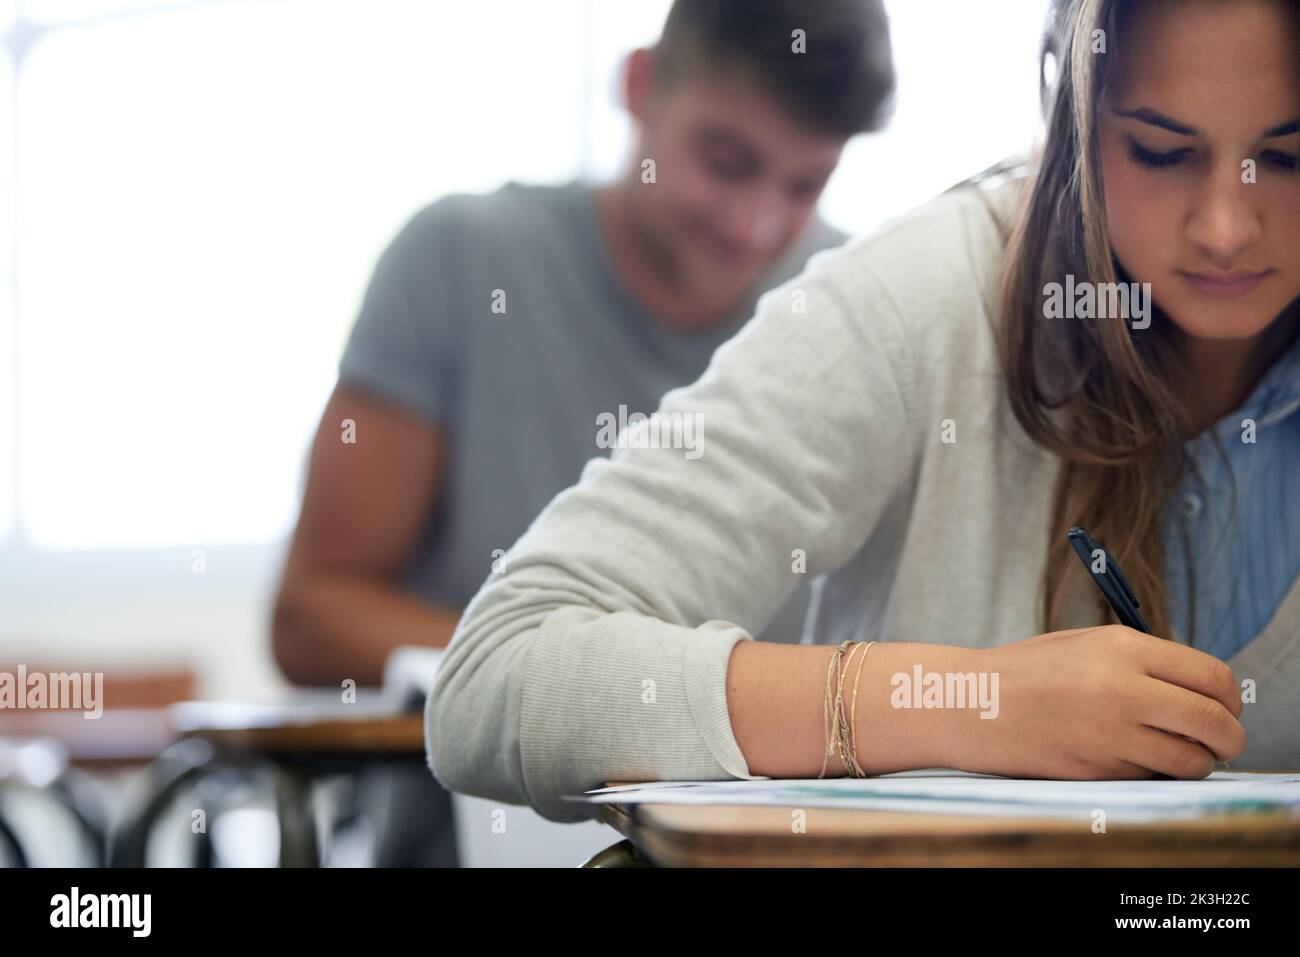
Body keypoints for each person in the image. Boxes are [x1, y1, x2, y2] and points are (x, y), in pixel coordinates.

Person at [427, 0, 1300, 824]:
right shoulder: (921, 299)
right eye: (1161, 152)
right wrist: (966, 702)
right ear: (1070, 118)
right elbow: (497, 674)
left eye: (1290, 156)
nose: (1226, 228)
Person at [272, 0, 896, 863]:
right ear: (640, 85)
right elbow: (311, 616)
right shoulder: (458, 262)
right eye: (726, 161)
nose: (753, 223)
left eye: (804, 186)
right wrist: (572, 687)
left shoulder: (854, 314)